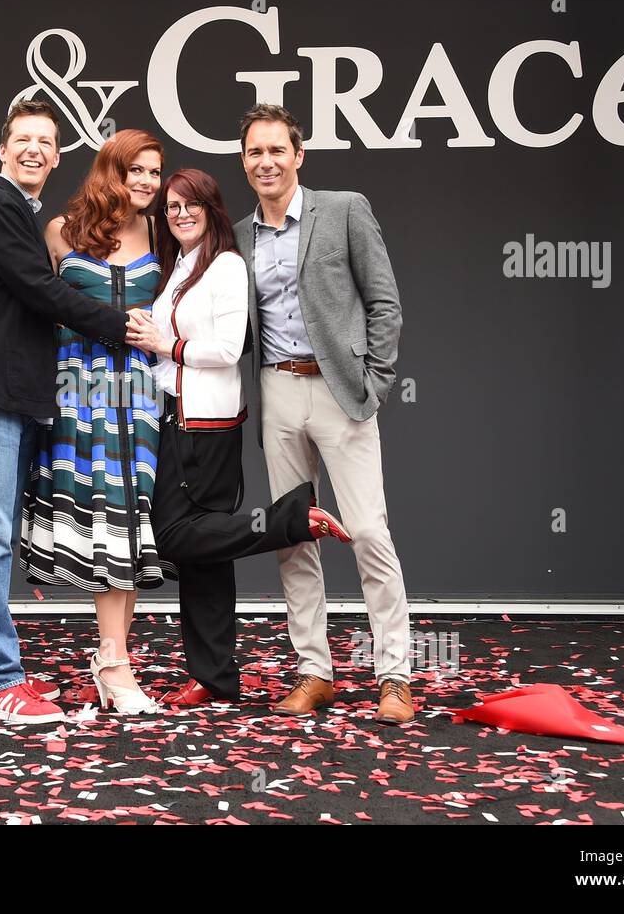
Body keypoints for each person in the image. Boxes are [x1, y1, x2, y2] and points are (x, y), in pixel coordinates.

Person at [0, 100, 133, 725]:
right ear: (2, 149)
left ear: (57, 153)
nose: (34, 150)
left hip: (11, 400)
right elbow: (41, 291)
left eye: (46, 142)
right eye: (23, 139)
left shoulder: (18, 213)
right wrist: (120, 324)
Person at [124, 168, 350, 705]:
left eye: (191, 204)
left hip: (209, 424)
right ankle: (214, 676)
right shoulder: (178, 265)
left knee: (179, 537)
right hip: (173, 417)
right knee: (203, 553)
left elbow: (229, 348)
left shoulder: (225, 265)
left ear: (212, 209)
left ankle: (294, 518)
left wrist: (164, 342)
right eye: (172, 206)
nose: (179, 213)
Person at [233, 103, 414, 723]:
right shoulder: (238, 236)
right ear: (244, 161)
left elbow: (385, 302)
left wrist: (375, 383)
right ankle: (315, 673)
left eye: (276, 150)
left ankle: (394, 676)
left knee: (367, 531)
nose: (266, 162)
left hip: (341, 392)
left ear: (298, 155)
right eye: (255, 152)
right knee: (293, 538)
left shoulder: (343, 210)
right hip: (276, 393)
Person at [20, 130, 167, 715]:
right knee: (106, 522)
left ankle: (113, 662)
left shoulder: (160, 233)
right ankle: (114, 666)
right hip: (78, 395)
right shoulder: (61, 231)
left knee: (129, 528)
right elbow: (33, 310)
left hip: (139, 396)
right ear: (110, 169)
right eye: (137, 170)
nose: (148, 183)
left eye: (156, 172)